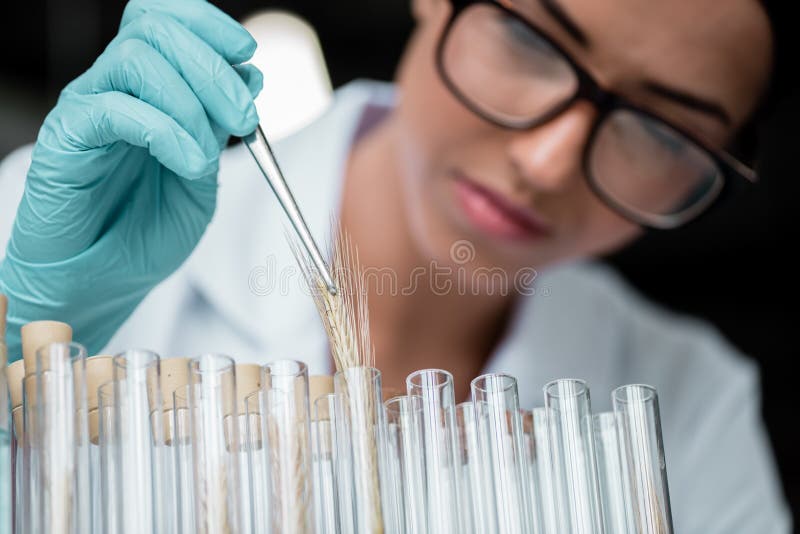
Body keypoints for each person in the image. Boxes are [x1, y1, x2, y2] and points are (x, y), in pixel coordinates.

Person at [0, 0, 791, 530]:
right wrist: (14, 344)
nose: (550, 162)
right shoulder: (55, 225)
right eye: (534, 42)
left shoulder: (688, 409)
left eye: (661, 132)